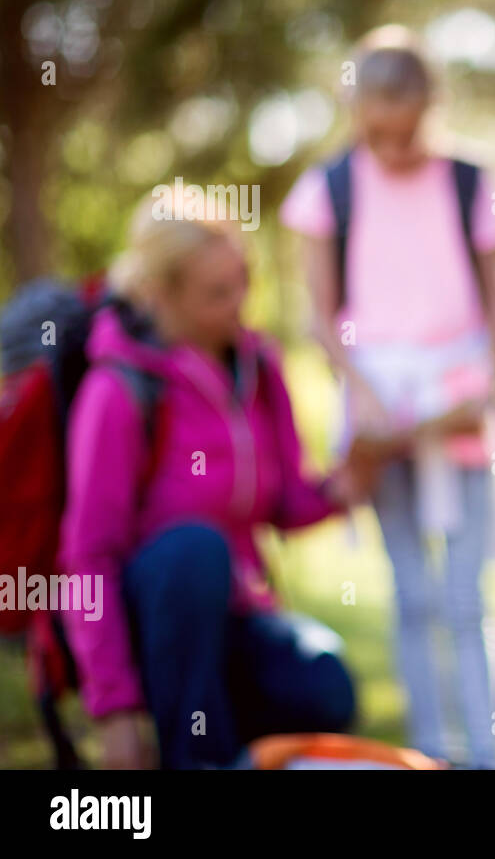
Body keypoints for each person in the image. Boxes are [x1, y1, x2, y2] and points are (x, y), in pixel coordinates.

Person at [280, 25, 495, 769]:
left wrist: (486, 386)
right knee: (413, 595)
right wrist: (364, 394)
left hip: (461, 404)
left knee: (467, 597)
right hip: (379, 404)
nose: (392, 149)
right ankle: (431, 749)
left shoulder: (472, 181)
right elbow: (320, 315)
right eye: (376, 133)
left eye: (405, 130)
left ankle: (488, 749)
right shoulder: (330, 189)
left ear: (430, 107)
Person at [60, 189, 360, 770]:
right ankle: (193, 756)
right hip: (153, 626)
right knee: (196, 548)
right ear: (162, 295)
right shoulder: (119, 391)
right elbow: (86, 558)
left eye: (243, 281)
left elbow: (286, 501)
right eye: (217, 294)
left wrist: (347, 483)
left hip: (236, 618)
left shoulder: (257, 367)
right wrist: (114, 709)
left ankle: (229, 745)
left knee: (326, 686)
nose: (239, 304)